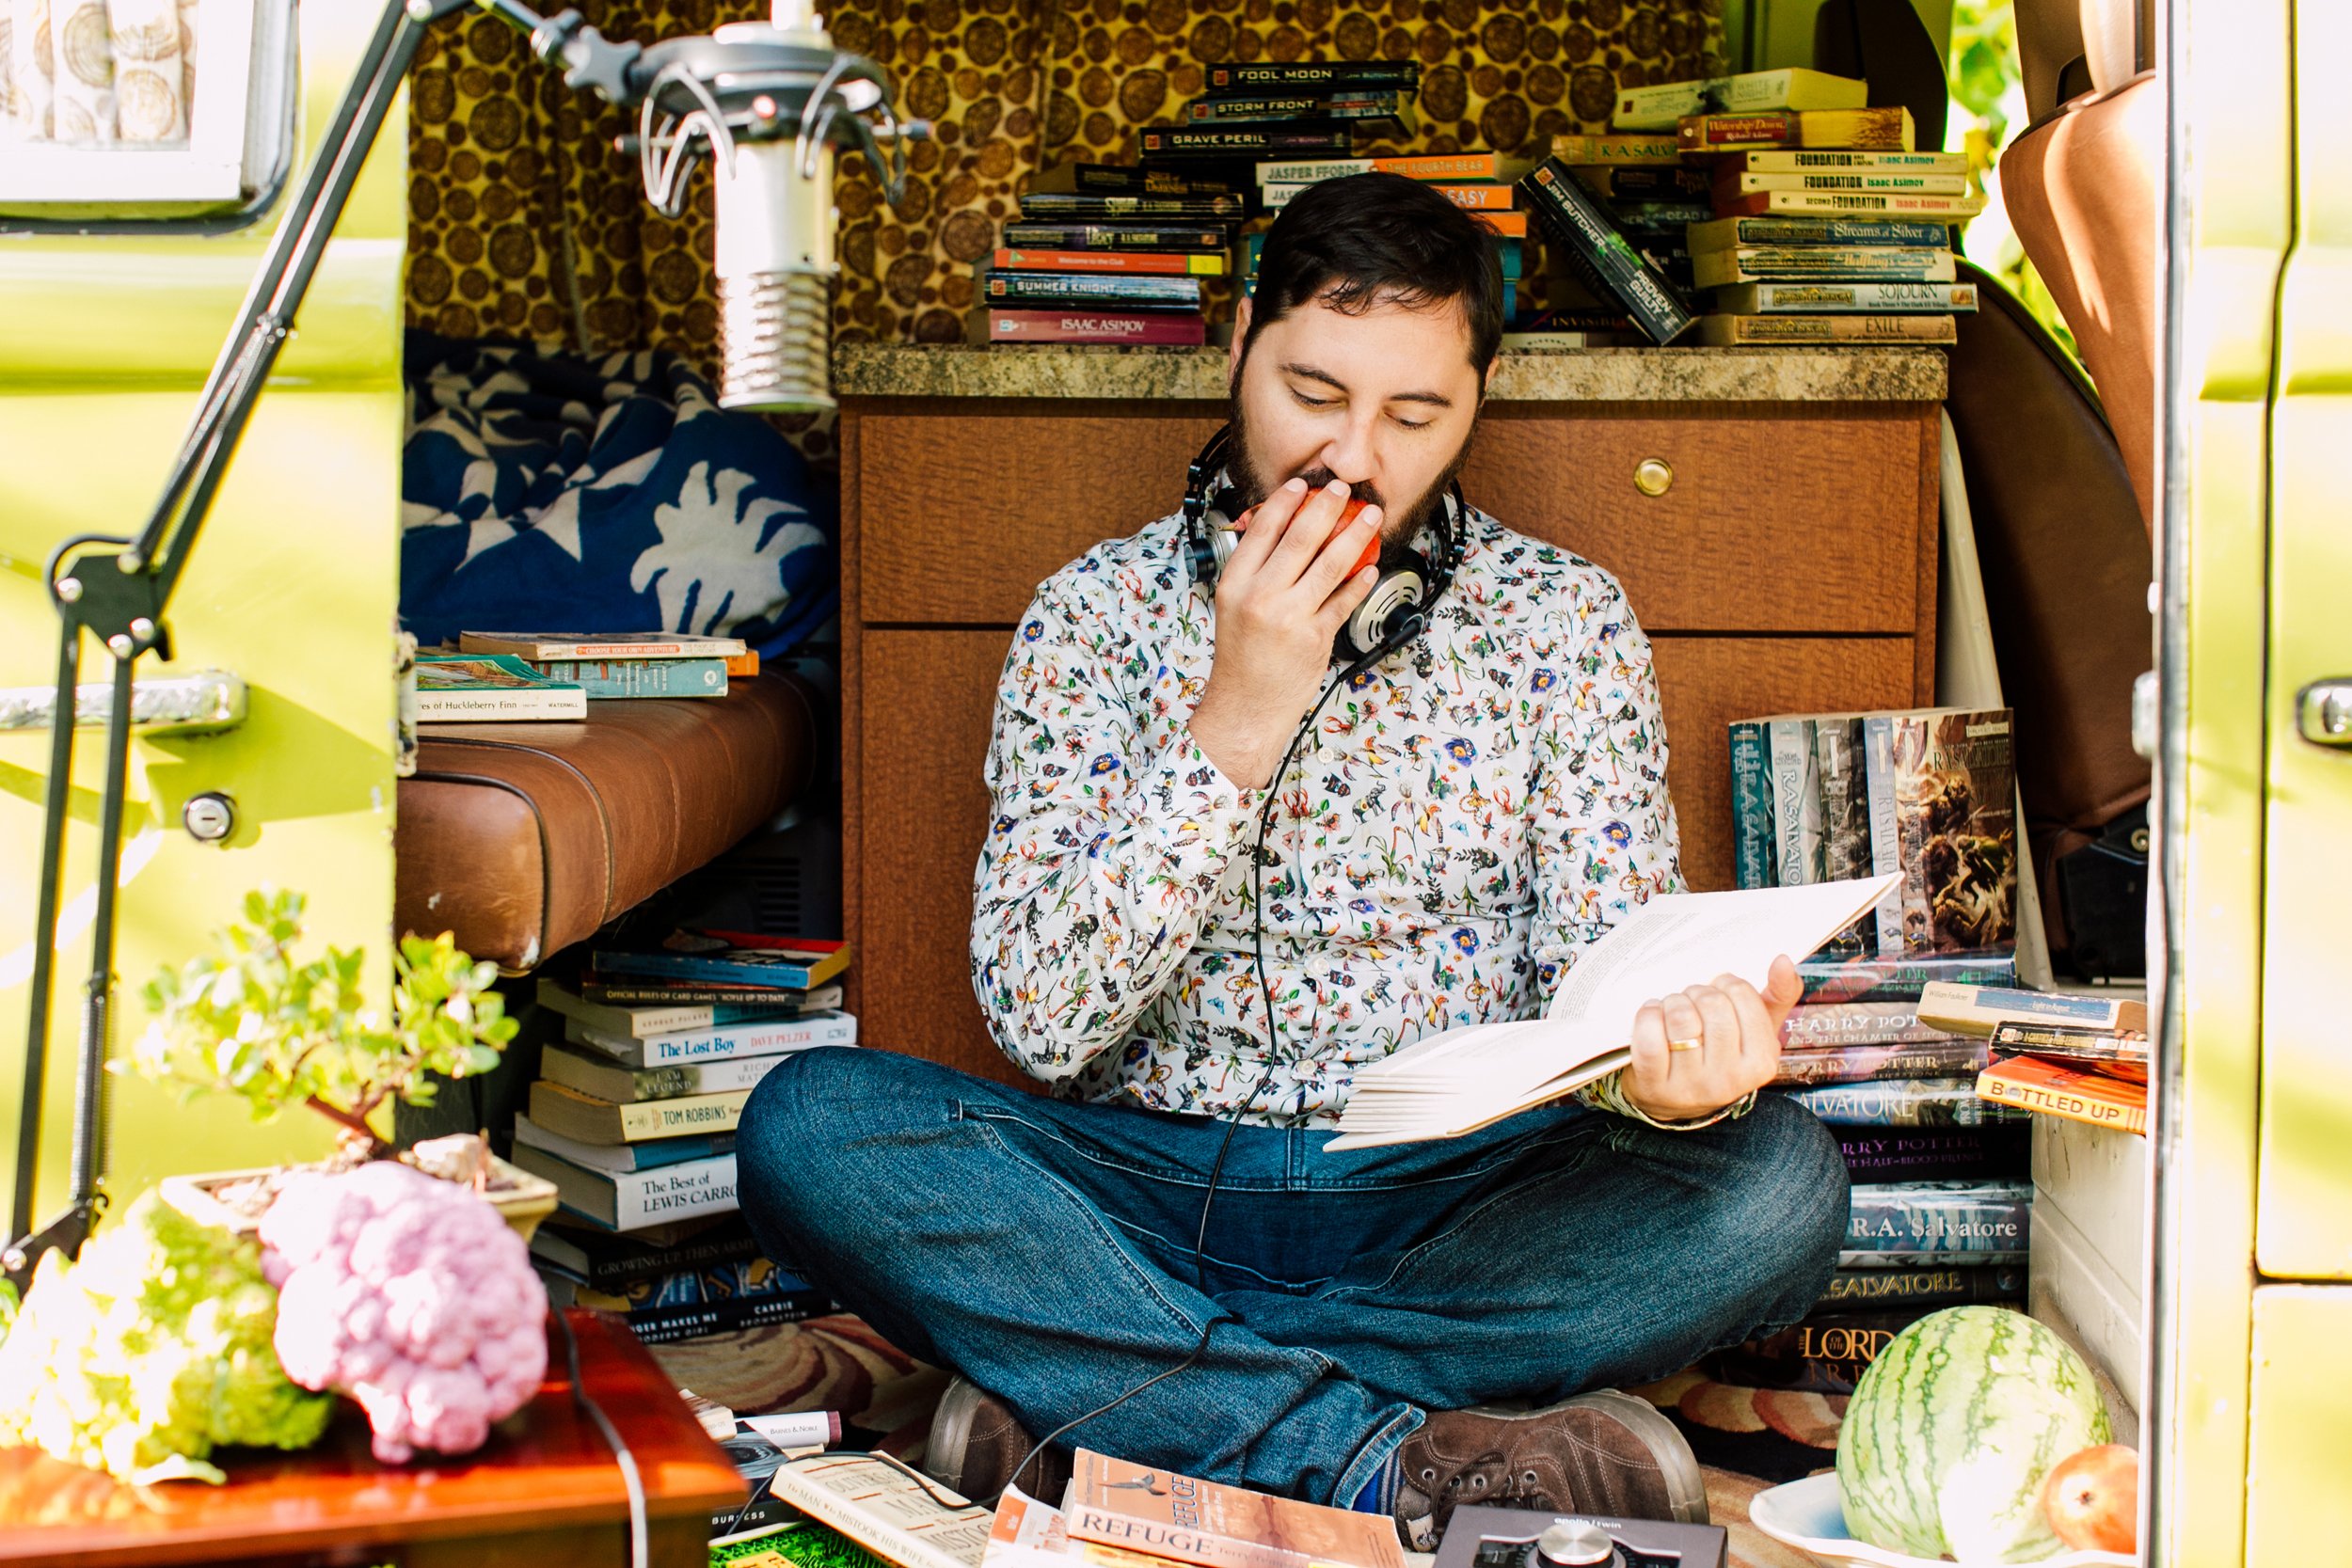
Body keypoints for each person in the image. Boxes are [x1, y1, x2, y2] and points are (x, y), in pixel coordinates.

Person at [739, 172, 1848, 1544]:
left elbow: (1599, 1005)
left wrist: (1679, 1086)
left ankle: (1123, 1396)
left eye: (1415, 413)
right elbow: (1040, 1025)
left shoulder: (1565, 621)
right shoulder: (1090, 615)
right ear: (1236, 354)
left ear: (1478, 405)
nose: (1355, 458)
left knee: (1782, 1183)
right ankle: (1389, 1460)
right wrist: (1241, 713)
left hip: (1457, 1201)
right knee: (810, 1127)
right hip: (1140, 1186)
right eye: (1314, 395)